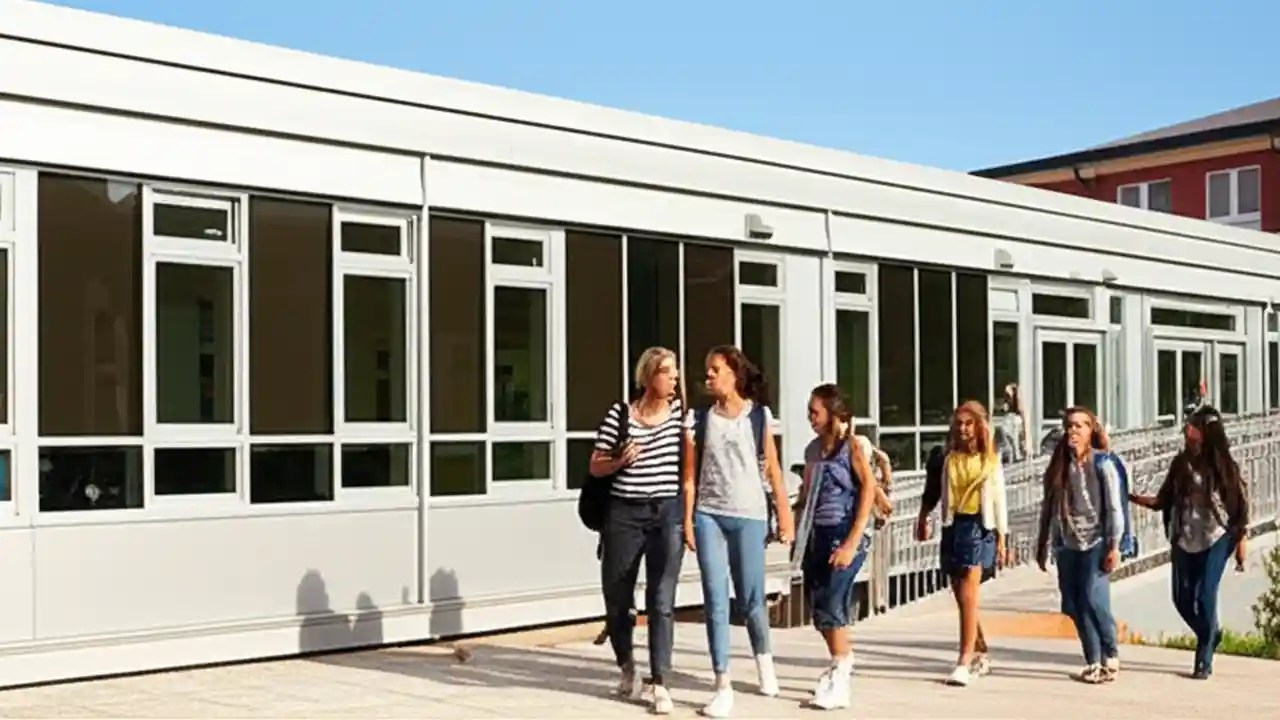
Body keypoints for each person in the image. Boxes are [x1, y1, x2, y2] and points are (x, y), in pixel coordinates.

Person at [683, 345, 794, 719]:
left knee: (751, 599)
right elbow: (689, 479)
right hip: (709, 514)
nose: (709, 376)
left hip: (749, 515)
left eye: (716, 369)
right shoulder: (698, 420)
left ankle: (764, 660)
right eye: (708, 370)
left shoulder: (758, 417)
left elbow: (774, 470)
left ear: (734, 374)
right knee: (715, 599)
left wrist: (785, 515)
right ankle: (722, 683)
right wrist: (687, 520)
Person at [590, 347, 686, 714]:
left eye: (675, 373)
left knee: (661, 600)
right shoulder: (621, 415)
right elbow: (596, 466)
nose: (674, 379)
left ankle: (660, 681)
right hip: (623, 514)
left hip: (666, 513)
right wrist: (619, 460)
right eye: (667, 372)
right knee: (617, 597)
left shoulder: (681, 416)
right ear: (648, 377)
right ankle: (627, 668)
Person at [1130, 405, 1249, 679]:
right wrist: (1132, 497)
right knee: (1182, 599)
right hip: (1184, 538)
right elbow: (1164, 500)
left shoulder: (1224, 467)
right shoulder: (1180, 464)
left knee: (1206, 595)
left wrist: (1241, 543)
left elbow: (1240, 512)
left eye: (1194, 426)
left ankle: (1203, 659)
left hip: (1216, 537)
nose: (1188, 430)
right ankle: (1211, 633)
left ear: (1207, 433)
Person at [914, 401, 1008, 687]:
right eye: (960, 424)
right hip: (953, 526)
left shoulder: (989, 459)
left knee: (969, 592)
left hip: (980, 526)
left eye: (969, 424)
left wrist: (1003, 537)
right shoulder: (945, 457)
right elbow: (932, 490)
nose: (964, 429)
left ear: (979, 427)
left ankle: (963, 660)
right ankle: (980, 651)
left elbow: (999, 499)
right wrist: (922, 517)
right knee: (961, 595)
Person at [795, 384, 878, 710]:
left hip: (845, 532)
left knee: (832, 599)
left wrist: (851, 542)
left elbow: (868, 490)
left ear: (832, 413)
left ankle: (840, 673)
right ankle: (840, 661)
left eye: (816, 412)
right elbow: (807, 495)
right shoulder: (812, 451)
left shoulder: (852, 448)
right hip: (816, 533)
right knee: (818, 605)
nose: (810, 418)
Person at [1033, 406, 1123, 684]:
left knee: (1092, 599)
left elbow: (1115, 507)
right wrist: (1043, 542)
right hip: (1067, 543)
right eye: (1070, 426)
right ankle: (1093, 660)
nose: (1073, 431)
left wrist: (1114, 545)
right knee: (1073, 604)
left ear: (1091, 431)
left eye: (1079, 426)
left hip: (1096, 541)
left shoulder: (1102, 464)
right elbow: (1048, 506)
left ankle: (1109, 652)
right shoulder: (1060, 466)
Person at [993, 383, 1031, 465]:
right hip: (1007, 444)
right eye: (1005, 395)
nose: (1006, 398)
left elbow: (1025, 427)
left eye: (1008, 396)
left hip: (1015, 444)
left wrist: (1026, 443)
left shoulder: (1019, 415)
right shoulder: (1006, 412)